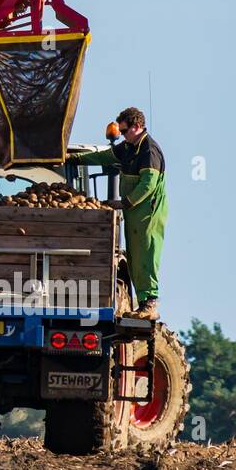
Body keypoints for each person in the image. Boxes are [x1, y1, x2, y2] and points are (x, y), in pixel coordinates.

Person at [76, 107, 167, 320]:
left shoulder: (148, 151)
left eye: (125, 130)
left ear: (137, 126)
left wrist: (122, 203)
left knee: (146, 254)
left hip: (148, 212)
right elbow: (105, 156)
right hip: (134, 212)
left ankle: (150, 303)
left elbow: (148, 185)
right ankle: (142, 304)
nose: (123, 135)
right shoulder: (128, 147)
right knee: (135, 257)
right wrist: (76, 159)